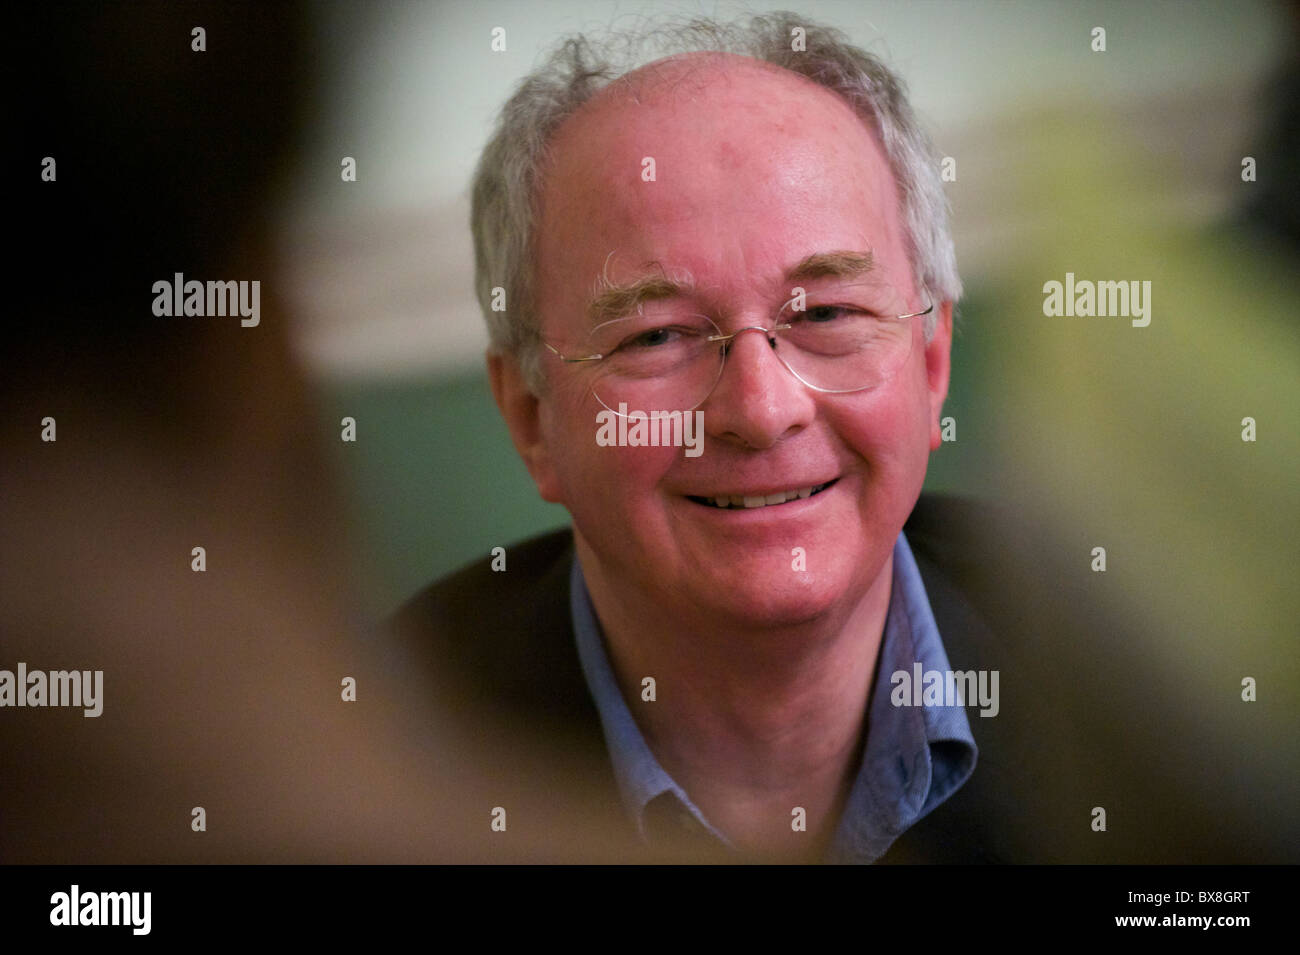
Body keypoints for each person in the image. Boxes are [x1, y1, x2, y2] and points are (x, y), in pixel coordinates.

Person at [390, 13, 1282, 864]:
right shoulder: (383, 754)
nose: (762, 408)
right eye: (656, 335)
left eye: (825, 312)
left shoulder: (1136, 684)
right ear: (532, 418)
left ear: (932, 364)